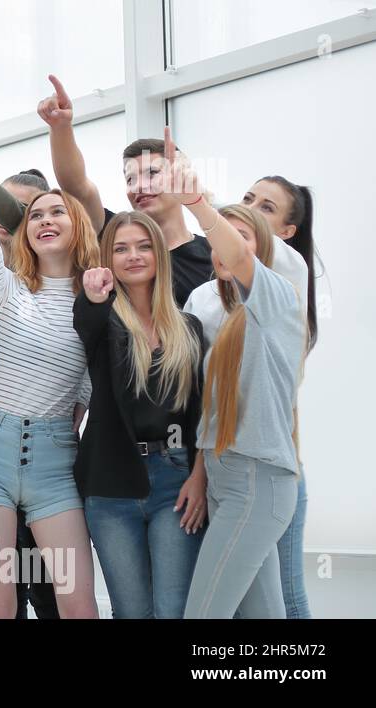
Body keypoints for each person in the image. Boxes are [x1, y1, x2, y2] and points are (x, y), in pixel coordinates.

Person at [0, 139, 100, 619]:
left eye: (58, 212)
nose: (45, 220)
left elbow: (92, 388)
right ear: (25, 232)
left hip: (55, 461)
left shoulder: (96, 298)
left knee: (77, 602)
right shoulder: (10, 288)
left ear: (78, 226)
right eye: (35, 215)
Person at [160, 131, 306, 619]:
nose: (226, 244)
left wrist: (200, 204)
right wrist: (201, 474)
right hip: (225, 476)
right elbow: (209, 408)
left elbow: (241, 258)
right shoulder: (209, 305)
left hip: (257, 481)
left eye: (240, 234)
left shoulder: (279, 297)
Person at [74, 210, 208, 618]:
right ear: (107, 259)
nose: (133, 255)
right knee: (131, 612)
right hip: (110, 483)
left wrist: (199, 478)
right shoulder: (103, 319)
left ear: (159, 255)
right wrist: (94, 293)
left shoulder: (189, 327)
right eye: (121, 248)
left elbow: (201, 414)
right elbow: (87, 319)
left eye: (144, 246)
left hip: (176, 480)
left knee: (173, 609)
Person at [35, 75, 212, 307]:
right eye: (130, 178)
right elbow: (76, 186)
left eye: (152, 174)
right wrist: (60, 127)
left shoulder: (211, 254)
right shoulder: (113, 237)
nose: (139, 186)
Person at [239, 175, 318, 619]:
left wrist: (193, 191)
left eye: (266, 207)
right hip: (229, 469)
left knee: (286, 595)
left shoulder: (287, 270)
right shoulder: (219, 289)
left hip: (275, 472)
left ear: (287, 232)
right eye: (248, 197)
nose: (250, 207)